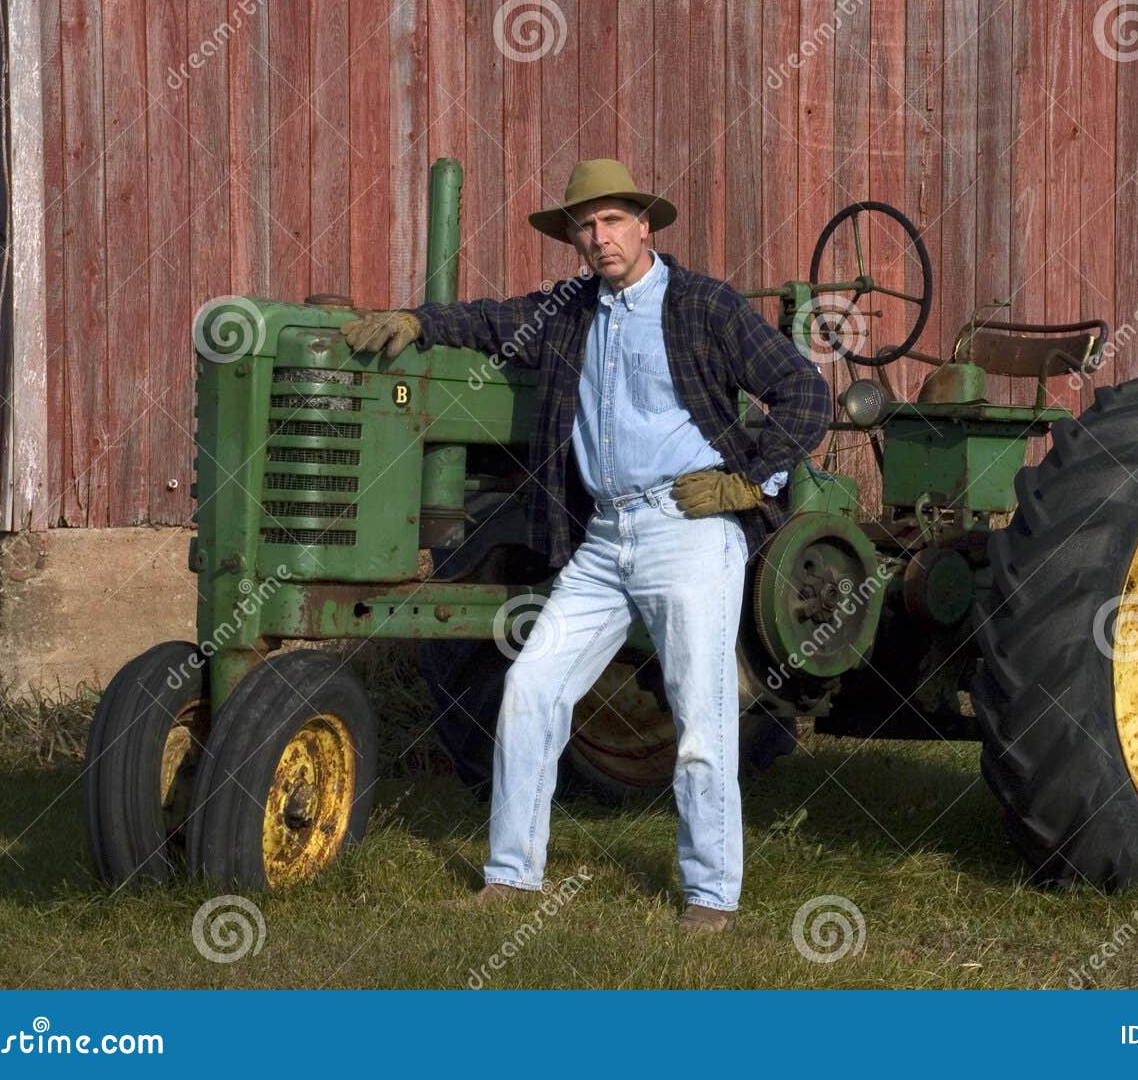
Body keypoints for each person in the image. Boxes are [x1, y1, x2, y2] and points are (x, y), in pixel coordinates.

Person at [342, 158, 831, 932]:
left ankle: (711, 897)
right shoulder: (570, 312)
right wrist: (418, 321)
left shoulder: (703, 306)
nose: (599, 237)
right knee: (531, 690)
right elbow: (493, 321)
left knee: (699, 718)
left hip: (690, 531)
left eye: (612, 221)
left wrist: (752, 481)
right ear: (574, 238)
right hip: (603, 538)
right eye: (585, 225)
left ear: (646, 226)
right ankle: (511, 875)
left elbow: (805, 389)